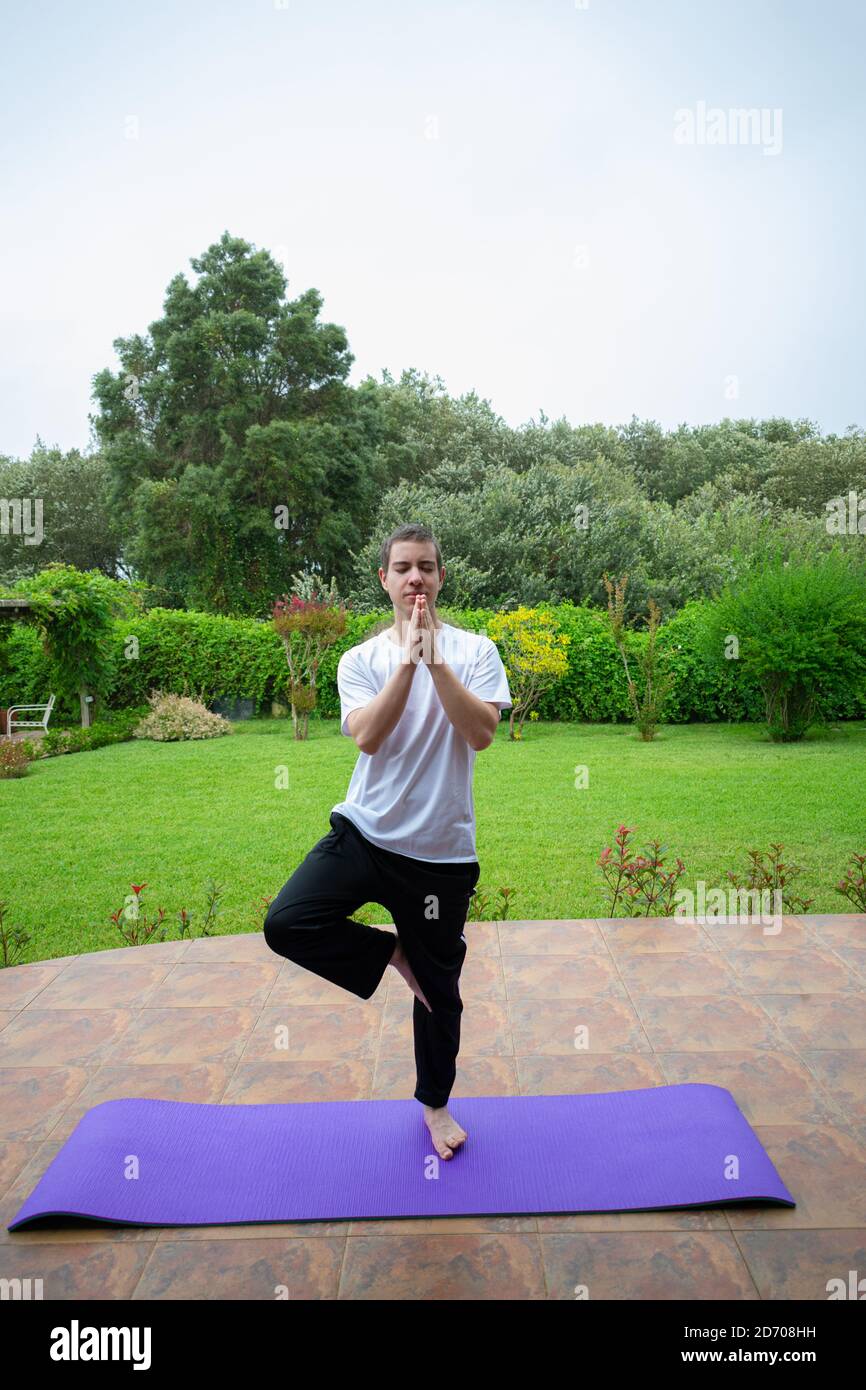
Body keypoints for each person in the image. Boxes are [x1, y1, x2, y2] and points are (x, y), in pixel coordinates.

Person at [263, 523, 512, 1159]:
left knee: (440, 993)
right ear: (385, 579)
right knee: (289, 921)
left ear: (441, 575)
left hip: (440, 853)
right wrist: (408, 661)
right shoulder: (359, 660)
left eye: (426, 567)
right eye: (402, 568)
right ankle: (392, 952)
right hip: (366, 833)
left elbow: (480, 733)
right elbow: (369, 736)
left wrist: (436, 661)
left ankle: (435, 1105)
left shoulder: (478, 650)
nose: (415, 579)